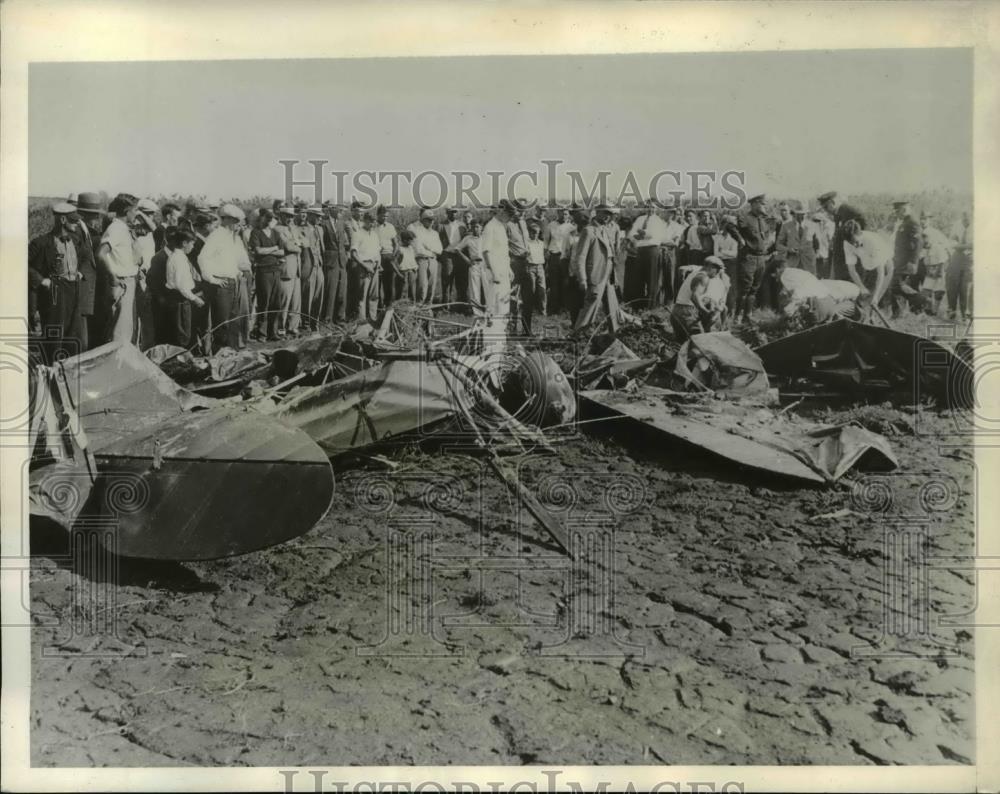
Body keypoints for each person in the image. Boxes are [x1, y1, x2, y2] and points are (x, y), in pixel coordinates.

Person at [28, 202, 91, 359]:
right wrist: (42, 280)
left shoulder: (76, 240)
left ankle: (70, 376)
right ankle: (51, 375)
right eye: (73, 220)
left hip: (74, 291)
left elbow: (86, 258)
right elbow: (22, 265)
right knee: (54, 339)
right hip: (54, 294)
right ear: (63, 220)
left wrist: (81, 273)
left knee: (74, 337)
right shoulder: (41, 243)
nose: (77, 224)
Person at [197, 203, 249, 351]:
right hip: (221, 285)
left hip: (233, 283)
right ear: (225, 220)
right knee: (222, 324)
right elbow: (203, 258)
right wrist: (212, 279)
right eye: (234, 221)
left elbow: (236, 260)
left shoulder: (231, 237)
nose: (237, 224)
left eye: (237, 221)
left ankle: (231, 354)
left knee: (233, 323)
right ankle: (220, 356)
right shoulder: (217, 236)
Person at [97, 192, 140, 345]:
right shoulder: (116, 228)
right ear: (127, 211)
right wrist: (113, 277)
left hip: (127, 282)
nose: (136, 214)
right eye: (135, 210)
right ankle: (115, 366)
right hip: (121, 283)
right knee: (119, 333)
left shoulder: (122, 228)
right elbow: (101, 254)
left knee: (125, 330)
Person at [163, 229, 206, 347]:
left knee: (183, 331)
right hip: (180, 300)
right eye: (192, 243)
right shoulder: (178, 259)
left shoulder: (179, 257)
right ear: (184, 243)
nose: (193, 247)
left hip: (179, 298)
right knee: (183, 333)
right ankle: (181, 360)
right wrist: (195, 299)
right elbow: (182, 286)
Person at [72, 192, 103, 349]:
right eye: (94, 214)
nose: (96, 217)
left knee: (82, 336)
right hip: (79, 291)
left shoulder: (84, 229)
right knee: (80, 338)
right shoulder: (77, 231)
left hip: (84, 291)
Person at [248, 209, 284, 340]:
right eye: (267, 218)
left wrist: (270, 250)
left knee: (276, 303)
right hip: (263, 271)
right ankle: (262, 333)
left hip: (275, 270)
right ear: (261, 218)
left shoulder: (275, 233)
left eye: (271, 218)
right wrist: (274, 248)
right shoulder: (256, 233)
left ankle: (272, 332)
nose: (269, 221)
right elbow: (258, 251)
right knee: (264, 302)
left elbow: (282, 252)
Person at [626, 200, 668, 308]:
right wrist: (640, 234)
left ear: (656, 209)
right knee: (638, 278)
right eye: (648, 207)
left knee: (652, 279)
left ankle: (651, 307)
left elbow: (652, 235)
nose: (650, 209)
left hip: (652, 250)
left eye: (653, 207)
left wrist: (641, 233)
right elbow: (631, 234)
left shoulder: (658, 221)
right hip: (640, 251)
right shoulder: (640, 219)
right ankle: (638, 306)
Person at [841, 219, 892, 309]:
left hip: (885, 267)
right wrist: (862, 287)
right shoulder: (847, 243)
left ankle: (874, 314)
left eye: (856, 242)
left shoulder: (872, 241)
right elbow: (852, 270)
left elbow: (881, 273)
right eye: (851, 243)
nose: (854, 245)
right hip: (868, 266)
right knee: (862, 299)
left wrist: (876, 296)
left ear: (860, 233)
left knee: (873, 300)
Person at [735, 193, 771, 322]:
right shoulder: (745, 217)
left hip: (760, 258)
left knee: (754, 289)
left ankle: (748, 315)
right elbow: (729, 225)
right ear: (754, 203)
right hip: (748, 258)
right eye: (762, 203)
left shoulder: (763, 220)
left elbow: (766, 235)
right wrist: (740, 239)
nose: (764, 206)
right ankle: (737, 316)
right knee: (745, 288)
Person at [670, 257, 724, 340]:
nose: (718, 272)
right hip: (687, 313)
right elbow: (694, 297)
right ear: (709, 266)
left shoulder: (696, 273)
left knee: (683, 343)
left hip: (677, 311)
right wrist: (706, 312)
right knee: (700, 342)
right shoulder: (703, 277)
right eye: (717, 269)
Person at [818, 191, 867, 282]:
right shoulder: (838, 215)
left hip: (852, 265)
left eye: (826, 207)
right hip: (842, 265)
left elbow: (861, 238)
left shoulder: (850, 212)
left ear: (832, 203)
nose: (825, 211)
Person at [889, 199, 923, 318]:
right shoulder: (904, 222)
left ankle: (922, 300)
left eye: (897, 211)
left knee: (897, 285)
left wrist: (912, 262)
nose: (896, 214)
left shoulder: (912, 222)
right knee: (897, 287)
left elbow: (917, 244)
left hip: (906, 262)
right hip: (900, 260)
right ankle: (898, 314)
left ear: (903, 210)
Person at [453, 219, 491, 315]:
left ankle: (490, 311)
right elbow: (457, 249)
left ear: (481, 228)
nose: (475, 229)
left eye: (477, 226)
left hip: (485, 265)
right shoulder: (468, 238)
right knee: (474, 289)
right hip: (474, 265)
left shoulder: (486, 237)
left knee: (488, 288)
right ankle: (477, 313)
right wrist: (466, 260)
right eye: (473, 227)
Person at [274, 206, 302, 338]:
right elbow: (289, 246)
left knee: (296, 302)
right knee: (284, 301)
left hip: (296, 269)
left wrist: (296, 244)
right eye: (287, 216)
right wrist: (297, 245)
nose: (289, 219)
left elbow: (303, 242)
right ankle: (281, 328)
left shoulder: (294, 228)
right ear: (281, 216)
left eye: (291, 216)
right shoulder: (278, 229)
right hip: (286, 270)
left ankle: (293, 327)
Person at [482, 204, 513, 318]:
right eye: (509, 215)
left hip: (503, 271)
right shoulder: (490, 227)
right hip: (494, 272)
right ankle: (491, 332)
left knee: (504, 304)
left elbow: (504, 252)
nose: (510, 219)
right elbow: (486, 252)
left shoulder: (501, 227)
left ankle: (501, 332)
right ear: (502, 212)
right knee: (493, 305)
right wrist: (494, 273)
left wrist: (509, 269)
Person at [350, 211, 382, 321]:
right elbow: (353, 254)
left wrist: (378, 263)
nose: (373, 224)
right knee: (362, 296)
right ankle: (362, 321)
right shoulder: (357, 233)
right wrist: (364, 266)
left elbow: (378, 251)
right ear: (365, 221)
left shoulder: (374, 235)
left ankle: (372, 319)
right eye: (371, 221)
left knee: (374, 295)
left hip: (375, 265)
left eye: (374, 222)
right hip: (363, 266)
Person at [408, 208, 444, 304]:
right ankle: (419, 306)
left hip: (433, 260)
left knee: (431, 285)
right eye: (428, 220)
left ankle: (428, 306)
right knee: (422, 285)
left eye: (432, 220)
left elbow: (439, 250)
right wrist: (431, 249)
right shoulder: (416, 229)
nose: (431, 222)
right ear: (423, 219)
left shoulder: (434, 233)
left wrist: (428, 247)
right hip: (421, 259)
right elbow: (418, 248)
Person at [320, 202, 347, 325]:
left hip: (342, 260)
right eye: (337, 208)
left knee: (342, 291)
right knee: (331, 291)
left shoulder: (341, 223)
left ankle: (340, 317)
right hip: (330, 261)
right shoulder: (323, 223)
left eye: (340, 209)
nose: (340, 211)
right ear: (331, 209)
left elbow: (344, 241)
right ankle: (327, 319)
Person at [542, 207, 573, 314]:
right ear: (558, 213)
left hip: (565, 258)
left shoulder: (571, 227)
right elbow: (545, 242)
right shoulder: (551, 225)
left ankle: (564, 307)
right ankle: (553, 308)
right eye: (562, 213)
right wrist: (545, 256)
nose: (564, 216)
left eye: (566, 214)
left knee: (565, 283)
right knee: (553, 283)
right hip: (554, 256)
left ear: (568, 215)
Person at [919, 213, 951, 316]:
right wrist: (929, 272)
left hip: (939, 270)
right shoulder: (925, 250)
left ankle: (935, 310)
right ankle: (927, 309)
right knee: (925, 290)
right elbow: (926, 262)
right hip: (930, 270)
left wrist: (938, 273)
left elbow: (942, 261)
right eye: (923, 239)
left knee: (938, 291)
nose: (924, 241)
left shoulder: (937, 247)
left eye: (926, 239)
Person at [713, 214, 743, 319]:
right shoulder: (718, 237)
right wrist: (726, 253)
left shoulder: (735, 238)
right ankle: (718, 310)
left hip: (732, 264)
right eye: (726, 224)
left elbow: (735, 254)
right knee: (719, 286)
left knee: (731, 287)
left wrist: (723, 251)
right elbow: (716, 253)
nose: (728, 227)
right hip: (720, 264)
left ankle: (730, 311)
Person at [776, 203, 818, 275]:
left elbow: (817, 245)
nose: (801, 217)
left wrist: (813, 257)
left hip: (809, 264)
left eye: (803, 214)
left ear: (807, 214)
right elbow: (778, 245)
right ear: (794, 214)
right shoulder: (786, 226)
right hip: (792, 263)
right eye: (798, 214)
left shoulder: (813, 226)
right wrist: (789, 249)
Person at [522, 221, 547, 334]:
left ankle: (543, 315)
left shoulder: (541, 243)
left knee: (542, 292)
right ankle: (527, 327)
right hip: (530, 268)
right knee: (530, 295)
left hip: (540, 267)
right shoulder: (526, 243)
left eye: (536, 232)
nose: (535, 234)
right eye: (532, 232)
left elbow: (544, 255)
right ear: (529, 233)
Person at [947, 211, 973, 320]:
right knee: (952, 285)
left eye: (967, 219)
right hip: (956, 257)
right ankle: (952, 311)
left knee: (965, 287)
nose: (965, 221)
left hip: (970, 259)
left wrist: (959, 246)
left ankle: (964, 314)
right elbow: (951, 243)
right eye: (963, 218)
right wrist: (966, 246)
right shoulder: (957, 225)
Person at [437, 206, 465, 306]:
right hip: (448, 255)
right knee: (447, 280)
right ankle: (445, 304)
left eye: (455, 212)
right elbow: (437, 241)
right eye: (451, 212)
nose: (453, 214)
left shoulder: (462, 225)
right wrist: (441, 256)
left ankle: (460, 304)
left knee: (460, 280)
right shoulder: (441, 225)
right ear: (447, 213)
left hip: (459, 255)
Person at [393, 229, 419, 302]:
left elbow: (412, 259)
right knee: (401, 293)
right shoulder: (399, 250)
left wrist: (415, 269)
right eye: (410, 240)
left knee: (412, 293)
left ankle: (412, 308)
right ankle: (400, 310)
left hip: (412, 272)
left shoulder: (411, 248)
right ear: (405, 240)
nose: (412, 242)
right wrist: (399, 274)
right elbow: (393, 262)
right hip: (404, 273)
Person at [812, 210, 835, 279]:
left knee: (827, 277)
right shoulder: (815, 226)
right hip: (818, 255)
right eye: (816, 221)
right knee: (818, 276)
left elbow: (831, 242)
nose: (817, 223)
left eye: (819, 221)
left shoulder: (831, 226)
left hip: (828, 256)